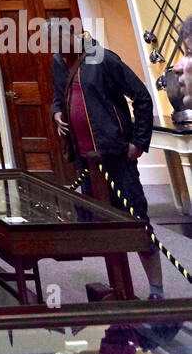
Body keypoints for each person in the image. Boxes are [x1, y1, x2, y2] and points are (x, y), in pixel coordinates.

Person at [51, 23, 164, 300]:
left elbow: (141, 97)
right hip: (85, 163)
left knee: (137, 224)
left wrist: (138, 142)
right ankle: (119, 287)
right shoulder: (58, 62)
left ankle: (157, 291)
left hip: (115, 158)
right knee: (102, 228)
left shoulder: (103, 58)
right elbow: (58, 96)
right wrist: (56, 113)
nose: (56, 47)